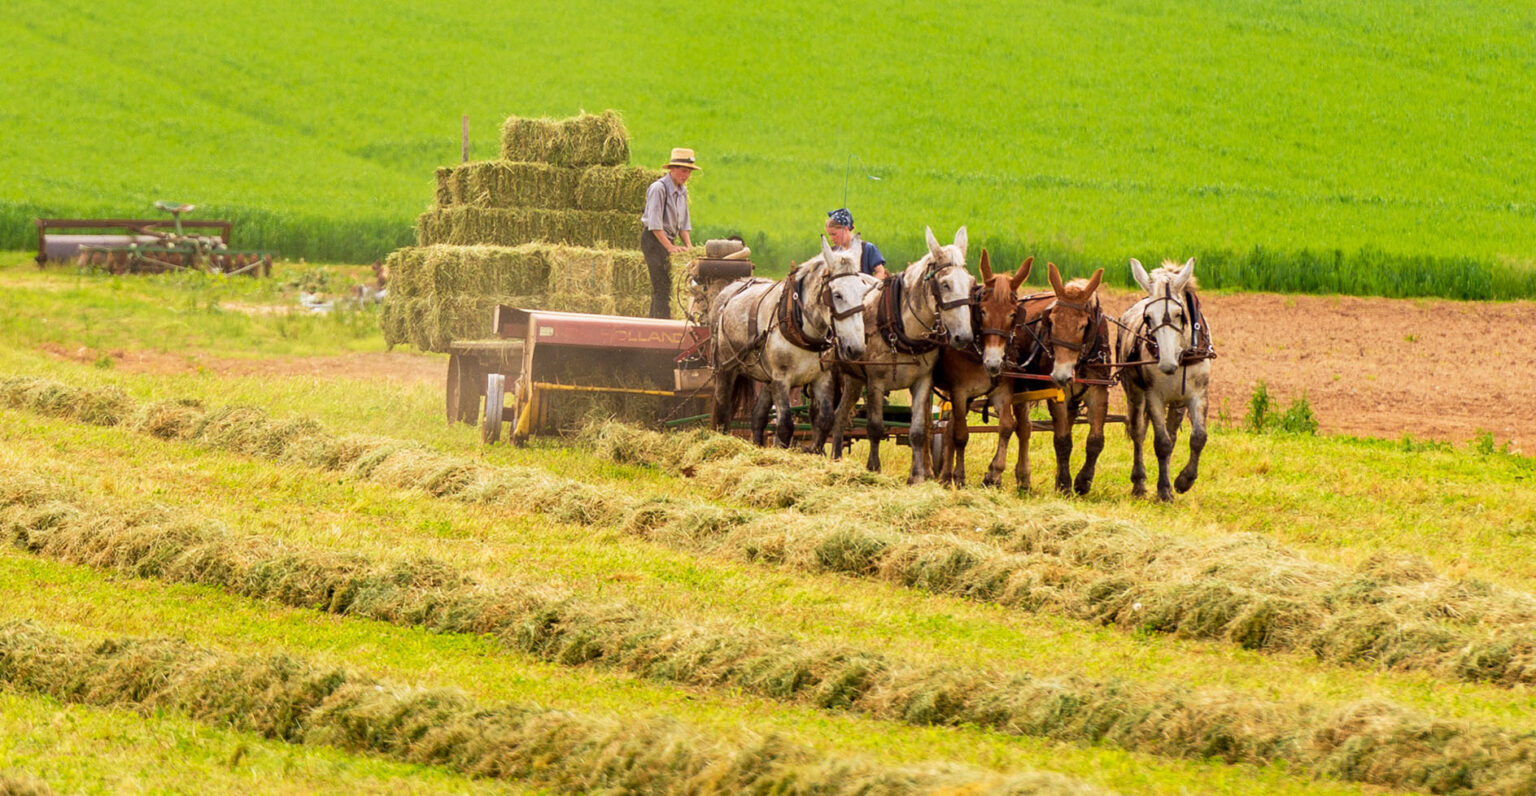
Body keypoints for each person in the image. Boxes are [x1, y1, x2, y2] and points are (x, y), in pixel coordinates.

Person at [640, 147, 699, 318]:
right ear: (672, 169)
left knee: (668, 285)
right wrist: (670, 247)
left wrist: (689, 246)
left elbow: (683, 224)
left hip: (668, 239)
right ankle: (660, 326)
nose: (686, 175)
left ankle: (656, 322)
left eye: (688, 172)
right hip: (654, 240)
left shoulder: (682, 190)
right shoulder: (659, 189)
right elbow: (654, 224)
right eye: (683, 171)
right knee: (662, 286)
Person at [825, 207, 888, 279]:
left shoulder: (867, 248)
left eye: (834, 234)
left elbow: (880, 272)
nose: (831, 238)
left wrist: (868, 287)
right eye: (829, 235)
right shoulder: (832, 252)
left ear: (845, 229)